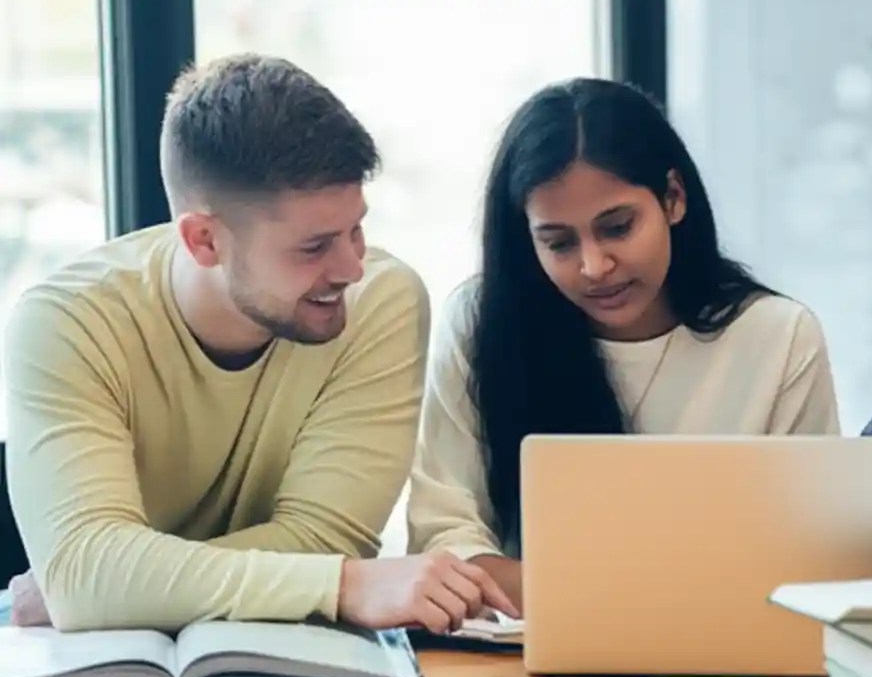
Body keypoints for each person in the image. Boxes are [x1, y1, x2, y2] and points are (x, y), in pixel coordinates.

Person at [3, 53, 517, 633]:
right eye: (314, 246)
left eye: (356, 229)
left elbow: (324, 537)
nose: (351, 267)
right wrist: (343, 584)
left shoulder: (380, 301)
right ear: (203, 241)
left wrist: (124, 584)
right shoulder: (66, 321)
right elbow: (88, 576)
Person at [404, 78, 840, 613]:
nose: (594, 267)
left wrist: (595, 596)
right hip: (525, 664)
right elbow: (443, 534)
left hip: (728, 656)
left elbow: (813, 557)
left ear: (674, 198)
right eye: (559, 242)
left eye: (617, 227)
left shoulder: (779, 337)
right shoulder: (480, 324)